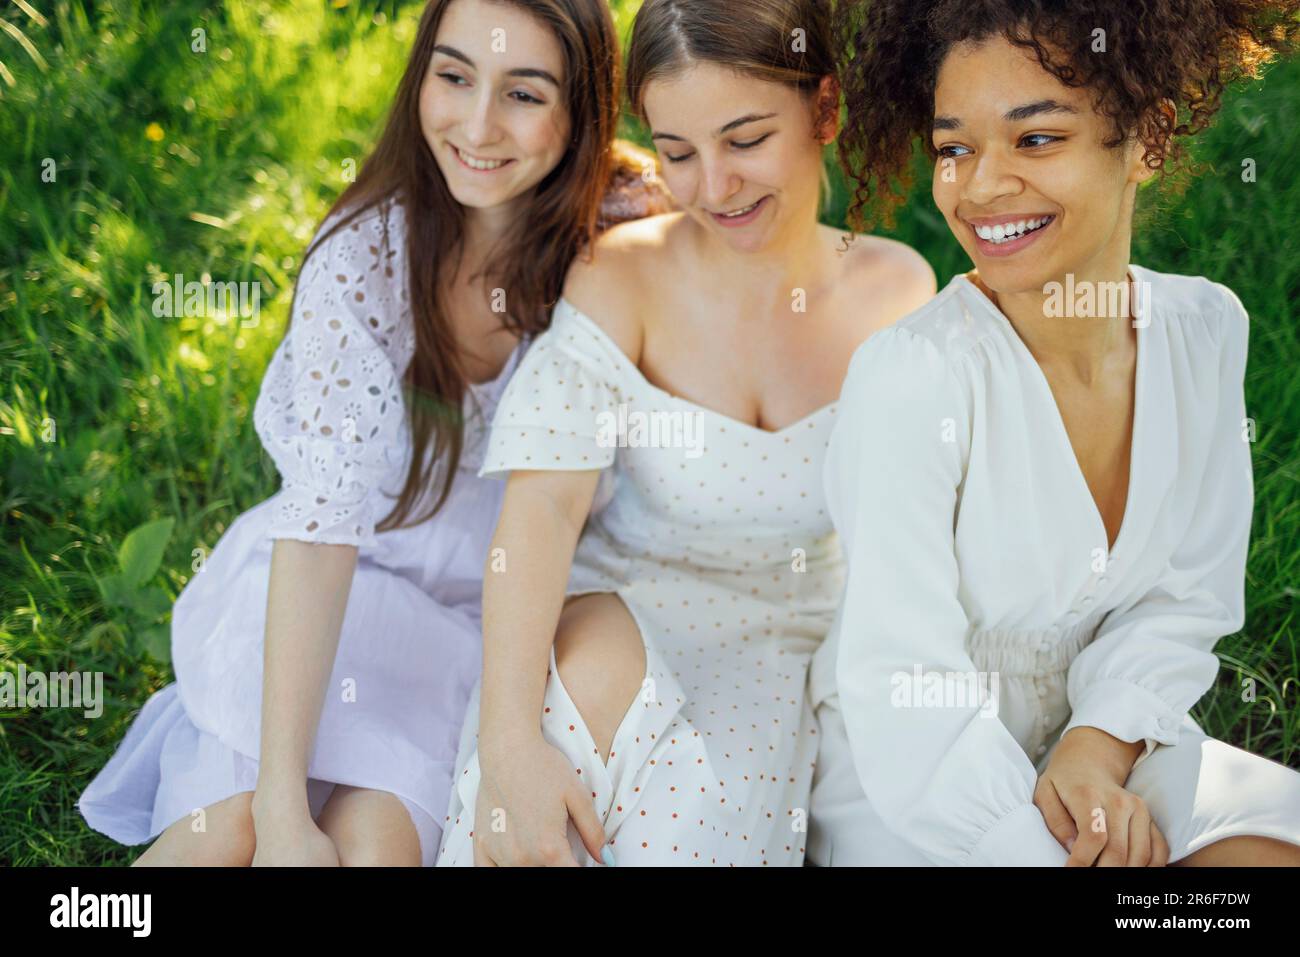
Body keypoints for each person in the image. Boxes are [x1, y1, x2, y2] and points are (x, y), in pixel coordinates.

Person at [77, 0, 668, 866]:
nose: (477, 126)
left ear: (582, 110)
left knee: (378, 843)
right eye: (454, 76)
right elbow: (318, 531)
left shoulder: (626, 227)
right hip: (328, 589)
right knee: (231, 825)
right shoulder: (366, 257)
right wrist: (283, 807)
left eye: (524, 94)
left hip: (478, 619)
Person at [437, 0, 935, 867]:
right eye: (677, 154)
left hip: (778, 653)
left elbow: (926, 532)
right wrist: (510, 742)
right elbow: (541, 516)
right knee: (540, 817)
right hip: (619, 612)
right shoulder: (620, 277)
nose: (714, 187)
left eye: (745, 140)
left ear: (825, 109)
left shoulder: (895, 291)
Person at [809, 0, 1300, 866]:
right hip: (925, 796)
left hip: (1106, 757)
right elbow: (903, 692)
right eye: (954, 147)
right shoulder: (914, 379)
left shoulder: (1204, 332)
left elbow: (1184, 597)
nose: (981, 184)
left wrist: (1097, 744)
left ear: (1146, 142)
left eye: (1035, 140)